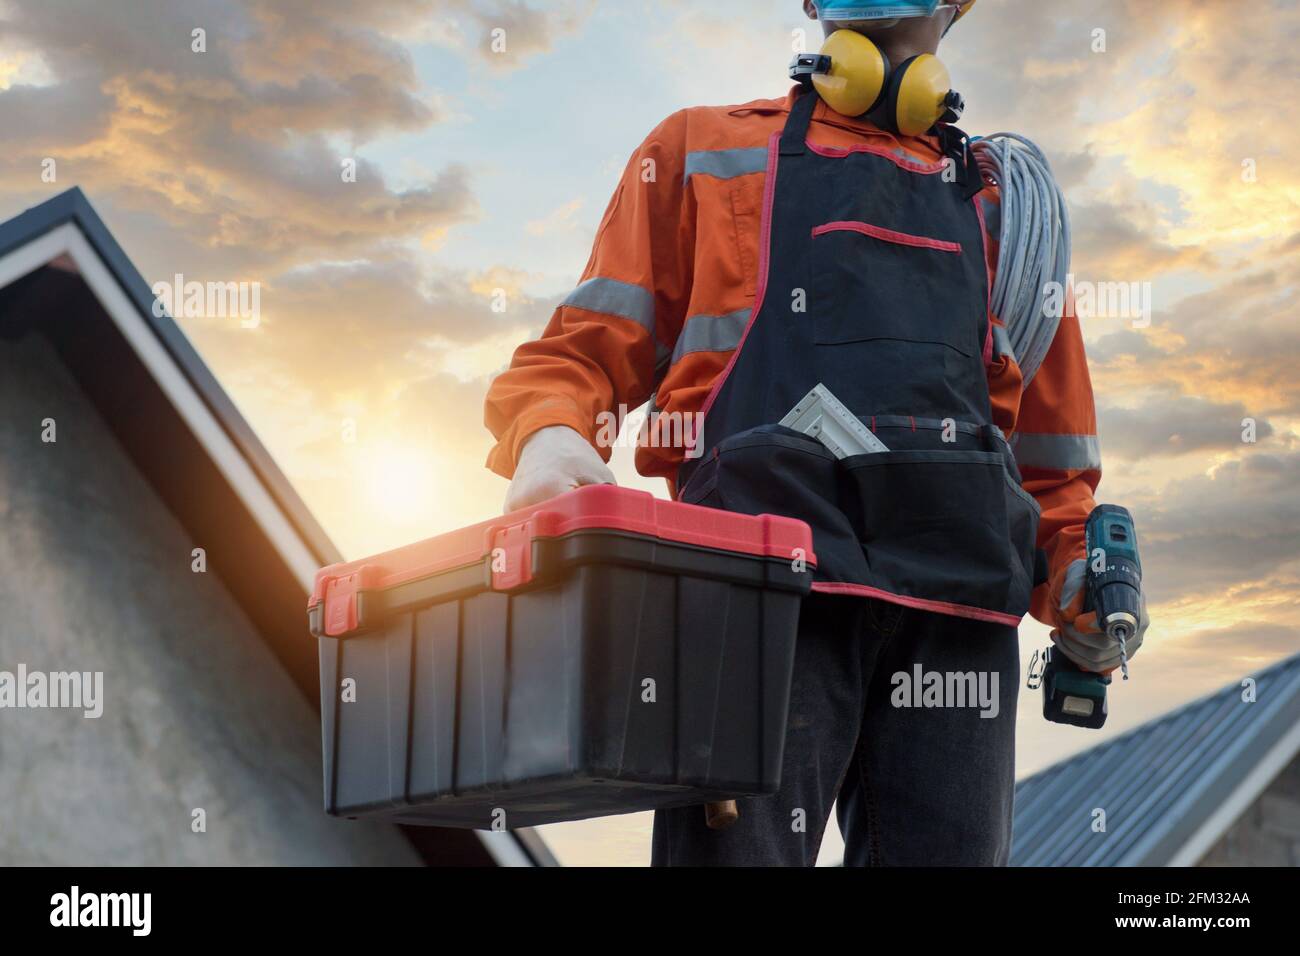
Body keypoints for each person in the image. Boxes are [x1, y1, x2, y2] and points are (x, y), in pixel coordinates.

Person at [483, 0, 1147, 866]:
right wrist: (548, 436)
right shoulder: (703, 153)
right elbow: (584, 351)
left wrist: (1081, 588)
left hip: (956, 617)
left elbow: (1053, 476)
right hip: (755, 598)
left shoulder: (1006, 213)